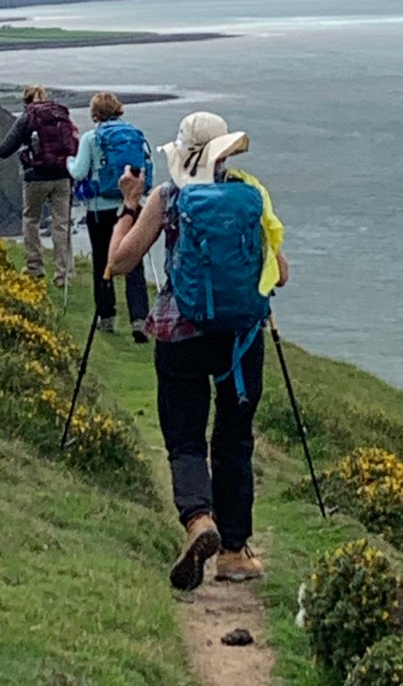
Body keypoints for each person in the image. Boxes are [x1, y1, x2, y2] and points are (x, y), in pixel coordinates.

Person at [106, 111, 288, 590]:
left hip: (179, 334)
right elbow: (281, 272)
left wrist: (128, 206)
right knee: (234, 439)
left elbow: (119, 263)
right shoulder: (250, 198)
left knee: (185, 436)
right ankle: (233, 552)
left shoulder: (167, 198)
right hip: (240, 339)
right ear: (224, 153)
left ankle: (198, 520)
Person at [66, 91, 151, 341]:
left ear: (95, 113)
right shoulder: (134, 134)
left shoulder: (91, 138)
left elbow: (80, 172)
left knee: (103, 261)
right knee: (134, 261)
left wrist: (69, 162)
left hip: (99, 209)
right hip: (130, 204)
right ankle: (139, 319)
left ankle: (107, 317)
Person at [0, 85, 76, 286]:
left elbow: (5, 149)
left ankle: (35, 268)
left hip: (36, 177)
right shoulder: (61, 114)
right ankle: (63, 274)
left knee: (31, 218)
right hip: (63, 175)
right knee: (62, 224)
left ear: (26, 101)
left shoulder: (28, 117)